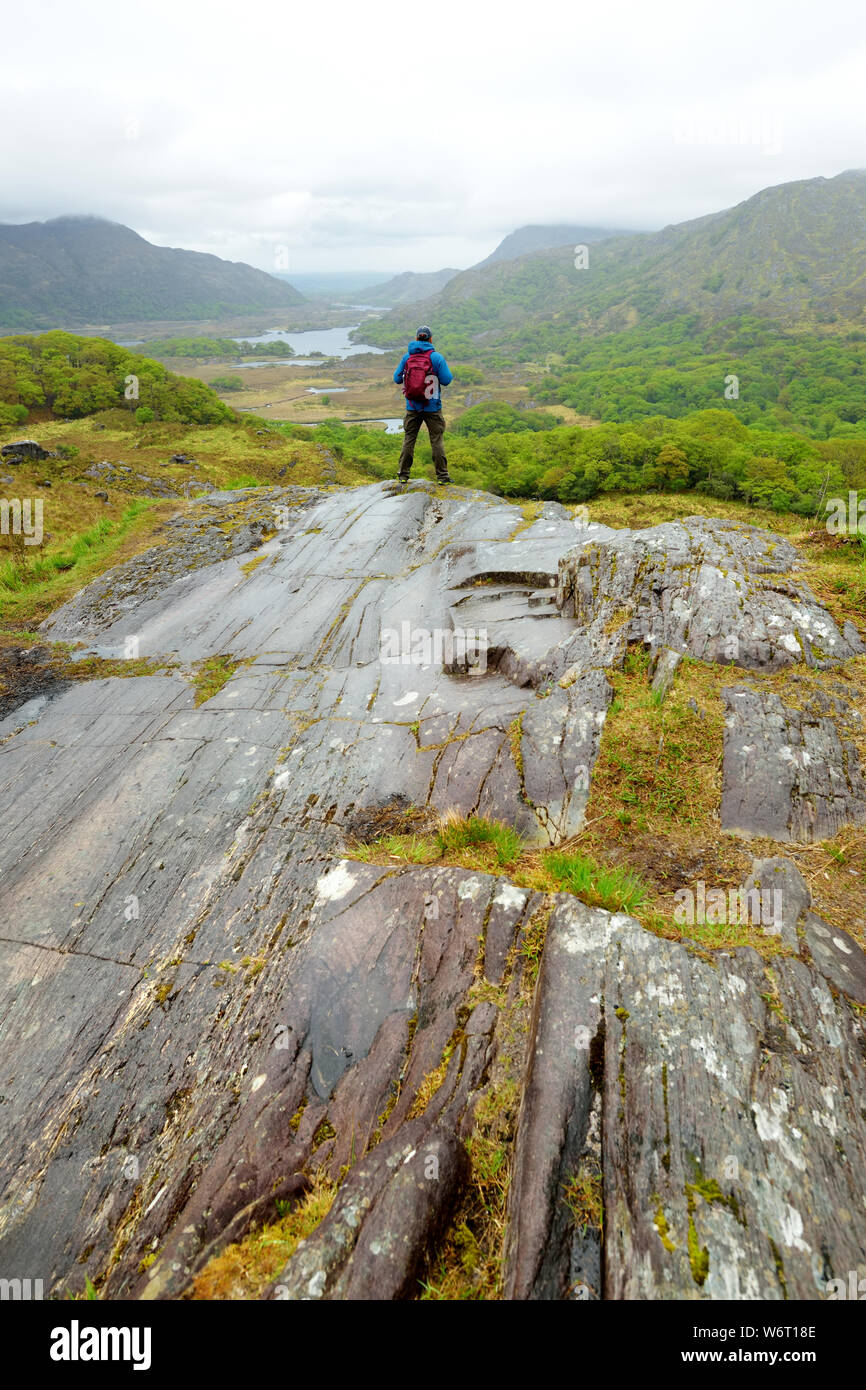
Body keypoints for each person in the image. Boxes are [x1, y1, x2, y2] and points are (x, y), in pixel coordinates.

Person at [393, 326, 453, 484]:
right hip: (432, 406)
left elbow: (396, 378)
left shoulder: (407, 357)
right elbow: (446, 380)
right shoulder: (437, 358)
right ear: (430, 339)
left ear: (416, 338)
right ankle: (442, 477)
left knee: (409, 439)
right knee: (436, 440)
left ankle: (403, 475)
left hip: (412, 406)